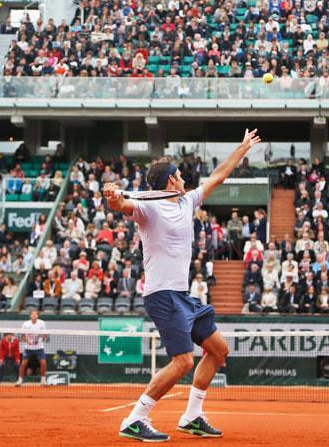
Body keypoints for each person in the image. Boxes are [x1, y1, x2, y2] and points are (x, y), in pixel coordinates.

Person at [103, 129, 260, 441]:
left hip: (183, 296)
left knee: (218, 350)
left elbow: (218, 176)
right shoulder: (148, 206)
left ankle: (192, 416)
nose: (183, 177)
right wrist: (113, 197)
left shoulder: (187, 201)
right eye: (178, 174)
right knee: (184, 361)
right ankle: (135, 418)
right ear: (170, 180)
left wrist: (242, 149)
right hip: (162, 295)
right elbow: (121, 206)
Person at [16, 309, 48, 386]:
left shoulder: (42, 323)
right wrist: (28, 342)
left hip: (39, 347)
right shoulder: (25, 324)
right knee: (24, 363)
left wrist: (41, 338)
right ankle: (20, 380)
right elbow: (23, 336)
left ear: (38, 315)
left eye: (35, 314)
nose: (34, 316)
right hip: (28, 348)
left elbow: (45, 335)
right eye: (32, 314)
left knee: (43, 363)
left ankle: (43, 381)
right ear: (30, 315)